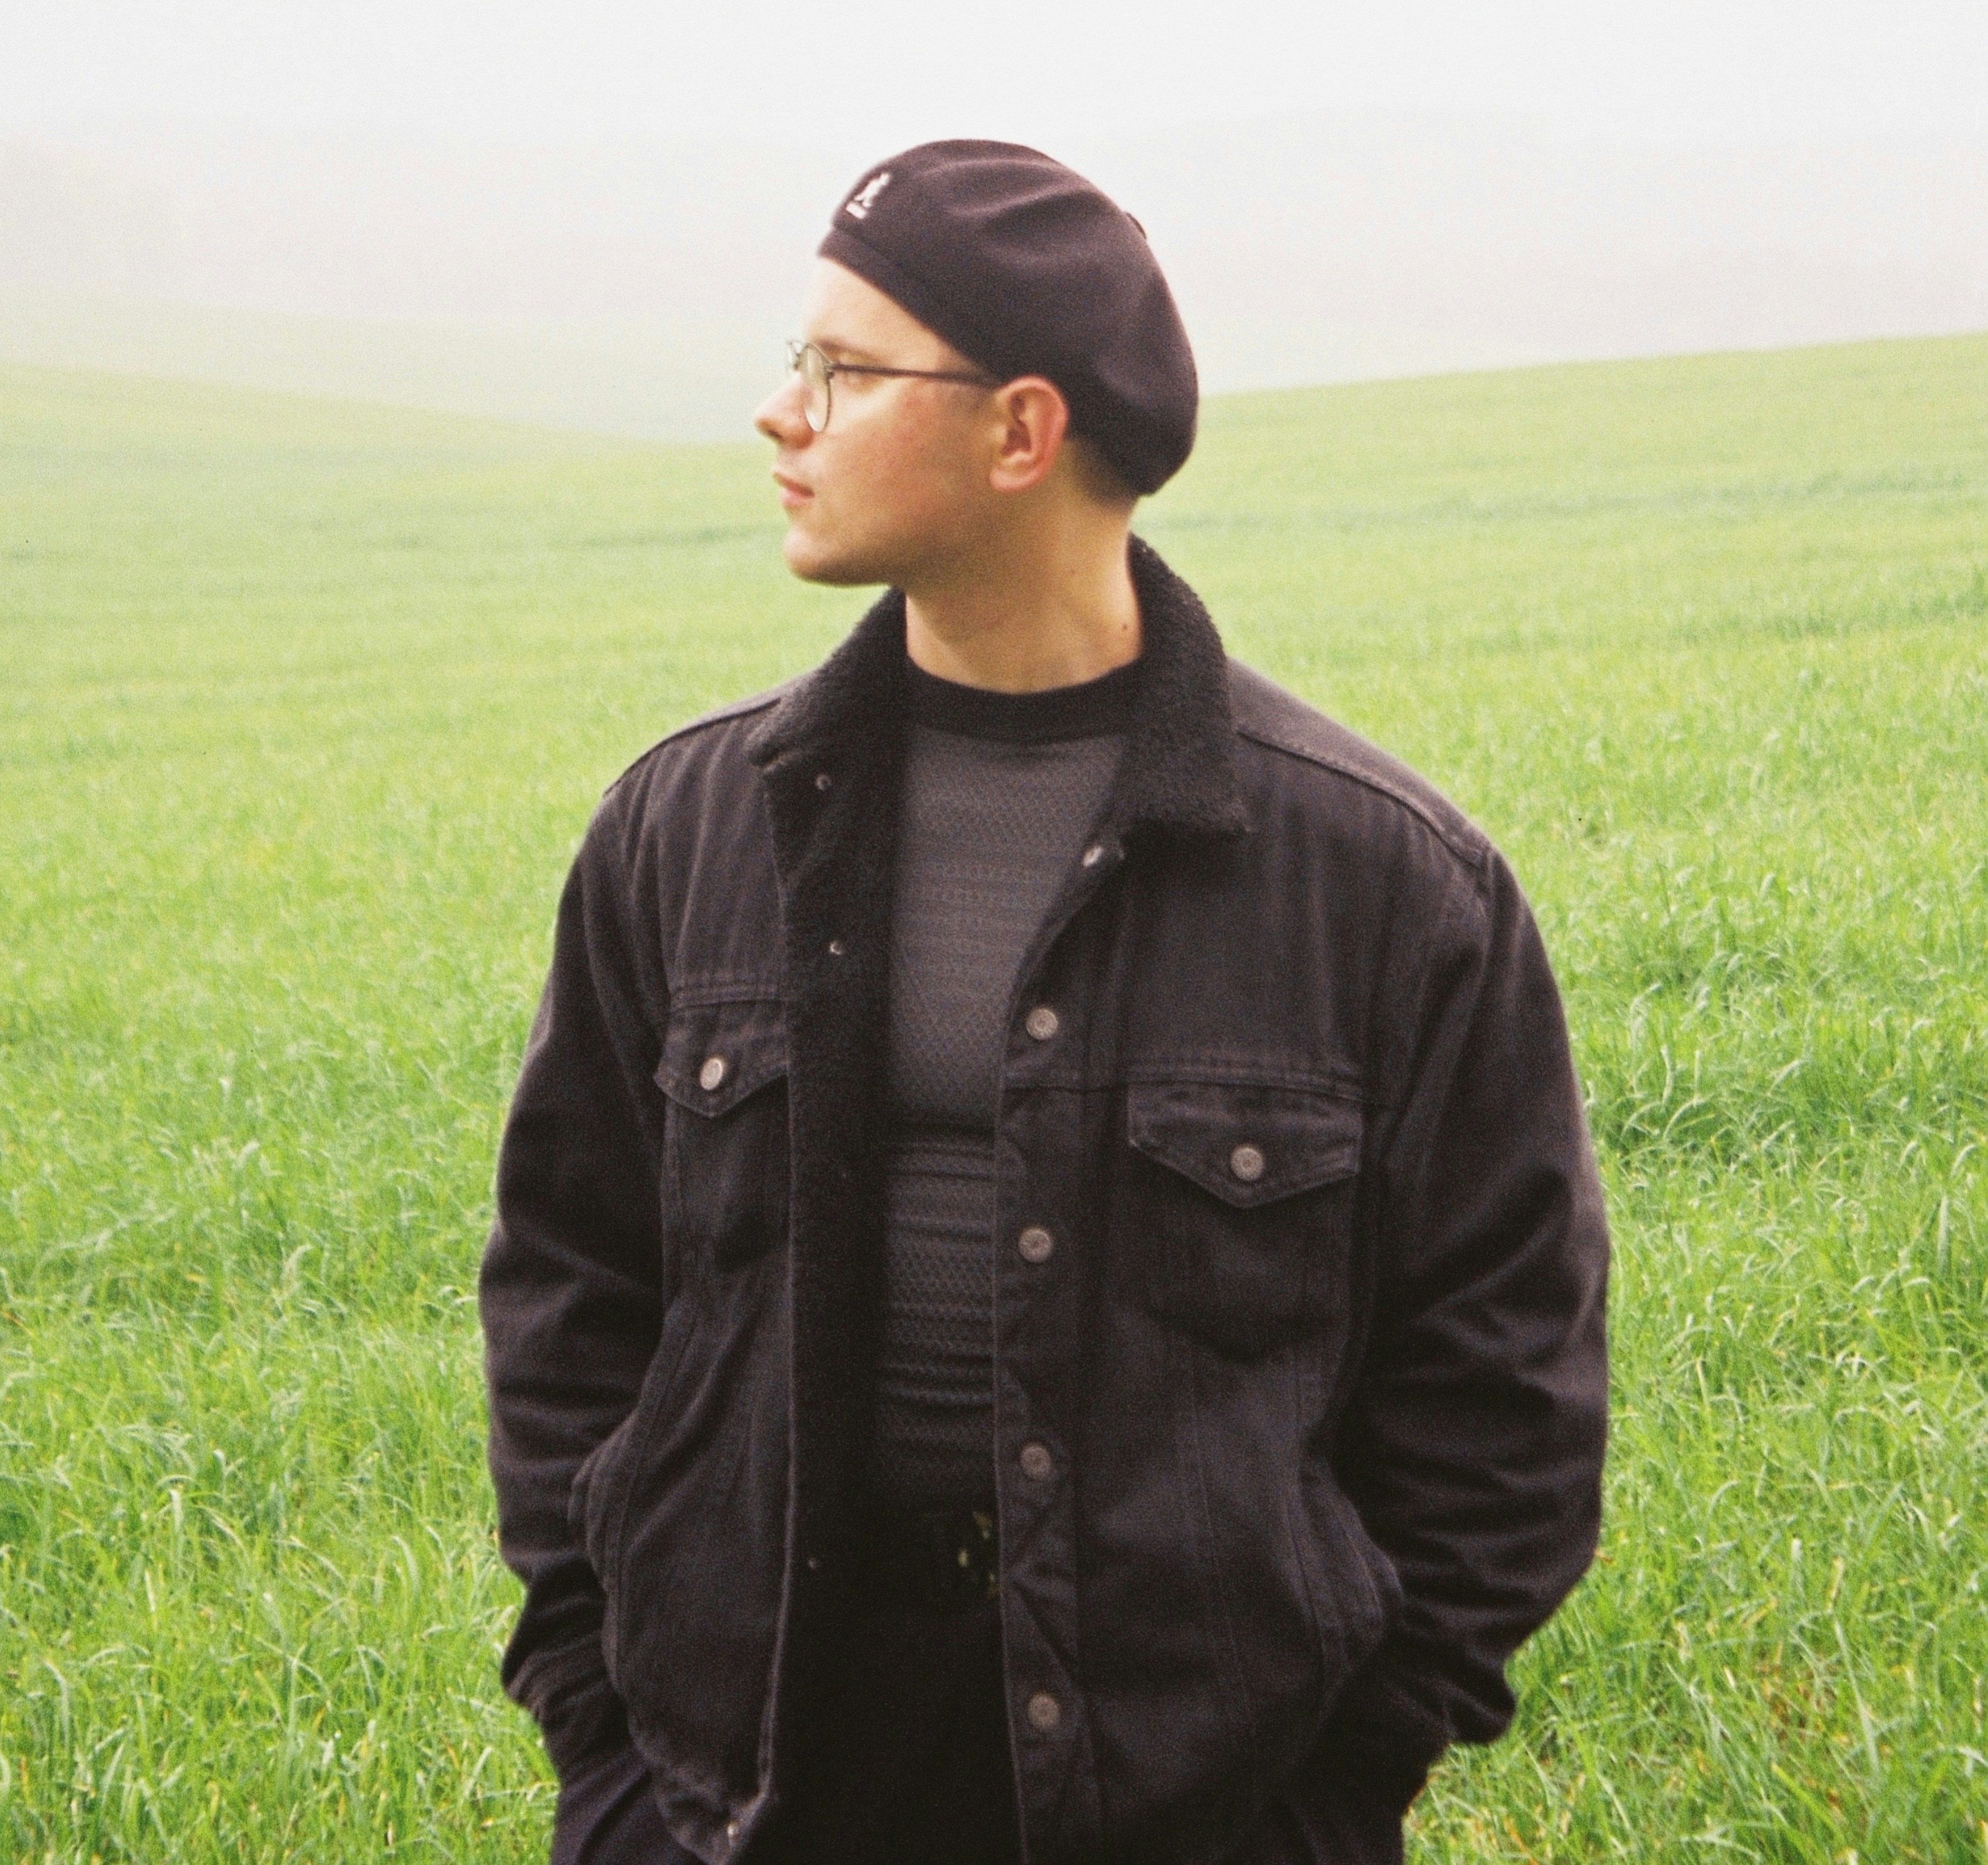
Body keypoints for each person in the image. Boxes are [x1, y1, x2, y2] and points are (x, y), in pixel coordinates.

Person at [479, 140, 1609, 1865]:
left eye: (842, 372)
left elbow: (1502, 1393)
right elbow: (571, 1298)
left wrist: (1330, 1789)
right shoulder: (685, 828)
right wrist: (605, 1748)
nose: (782, 418)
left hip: (1193, 1798)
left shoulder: (1381, 883)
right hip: (744, 1780)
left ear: (1020, 433)